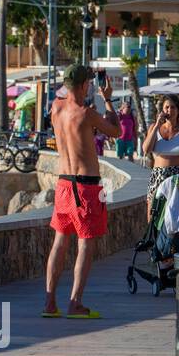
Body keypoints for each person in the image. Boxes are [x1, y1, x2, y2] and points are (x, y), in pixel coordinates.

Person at [43, 64, 121, 320]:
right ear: (84, 85)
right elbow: (116, 132)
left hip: (63, 183)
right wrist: (108, 100)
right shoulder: (86, 114)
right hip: (87, 186)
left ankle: (49, 302)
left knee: (59, 242)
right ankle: (75, 302)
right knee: (85, 243)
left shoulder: (56, 107)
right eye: (88, 83)